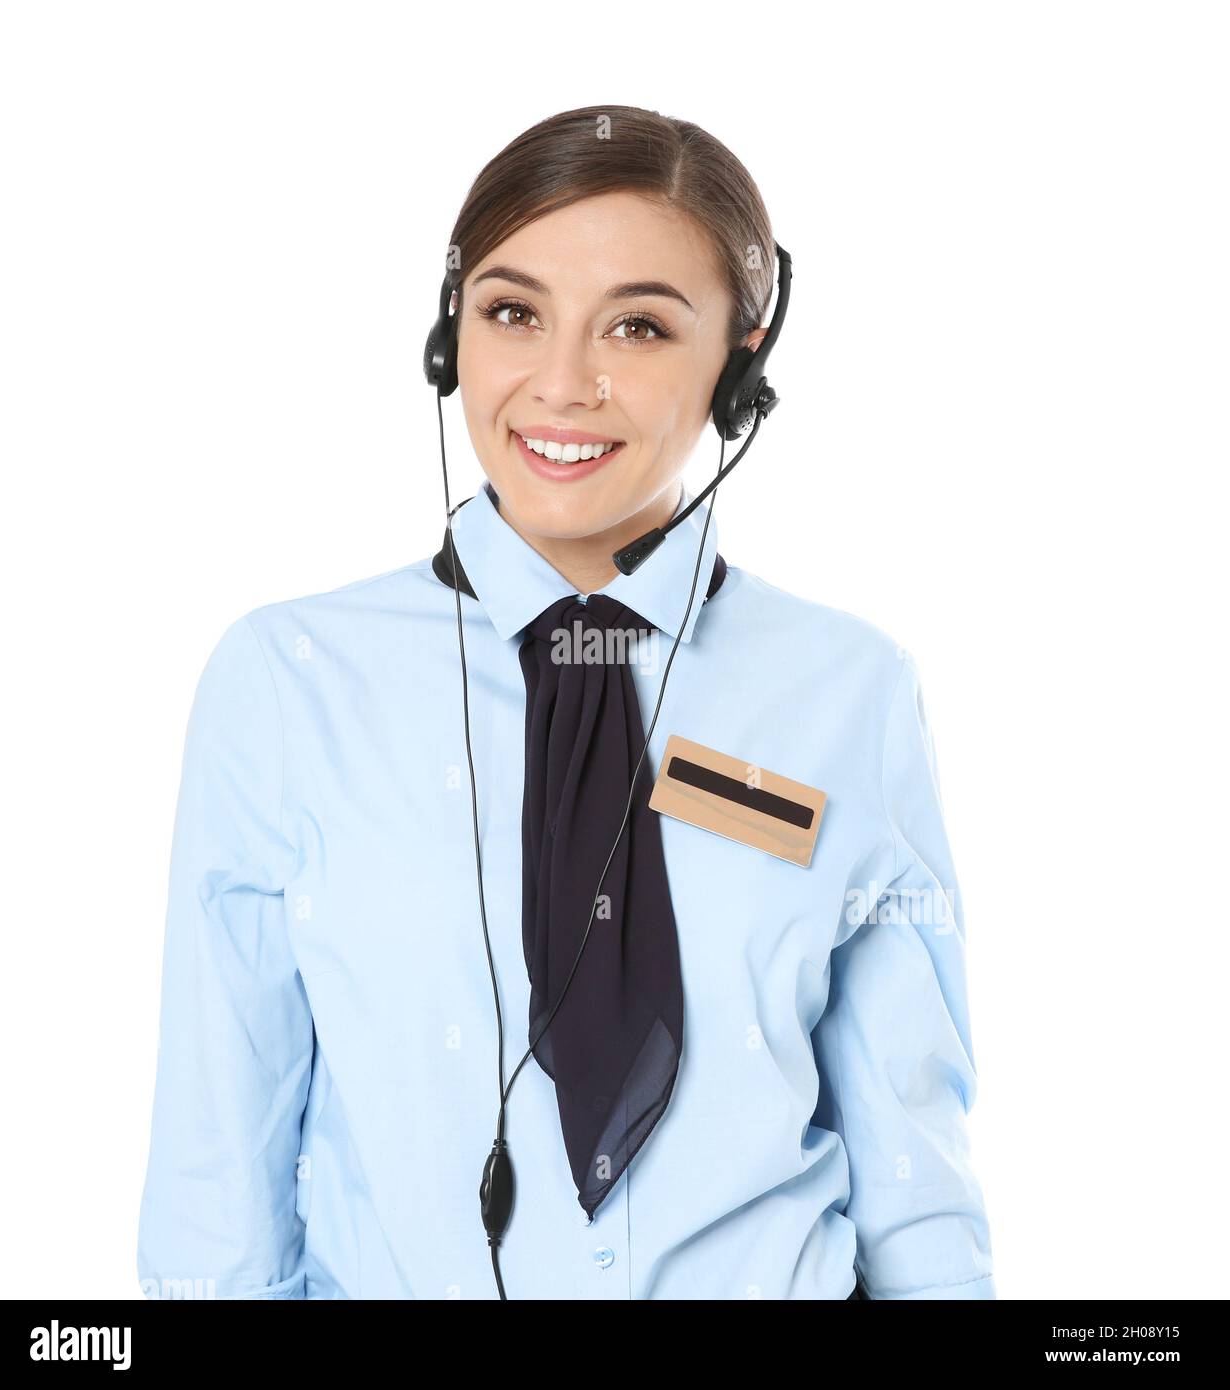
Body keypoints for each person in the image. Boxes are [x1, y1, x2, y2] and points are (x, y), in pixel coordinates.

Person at [137, 104, 996, 1301]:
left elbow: (913, 1161)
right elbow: (214, 1178)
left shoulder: (849, 690)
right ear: (448, 341)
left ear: (739, 365)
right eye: (510, 312)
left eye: (637, 326)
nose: (560, 384)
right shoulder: (287, 684)